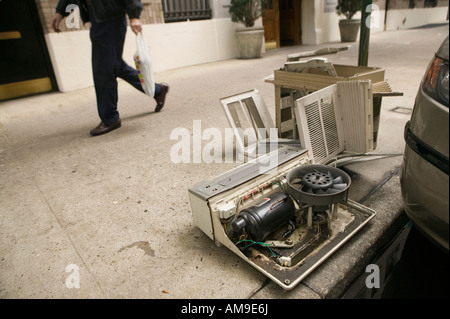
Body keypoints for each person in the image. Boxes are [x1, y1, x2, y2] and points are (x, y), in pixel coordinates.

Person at [51, 0, 169, 136]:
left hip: (111, 17)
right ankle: (158, 90)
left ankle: (110, 118)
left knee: (103, 71)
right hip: (97, 17)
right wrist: (61, 11)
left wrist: (134, 14)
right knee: (114, 65)